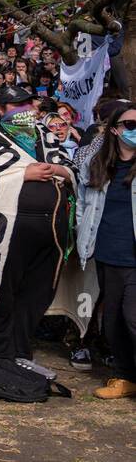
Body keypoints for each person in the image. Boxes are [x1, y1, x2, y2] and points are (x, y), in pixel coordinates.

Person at [0, 85, 75, 360]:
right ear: (1, 109)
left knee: (37, 293)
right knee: (3, 292)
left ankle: (21, 348)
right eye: (17, 106)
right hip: (6, 232)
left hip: (49, 231)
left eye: (27, 104)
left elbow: (70, 169)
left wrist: (55, 170)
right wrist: (24, 174)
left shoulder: (44, 135)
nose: (25, 110)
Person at [75, 101, 136, 398]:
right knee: (111, 322)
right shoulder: (98, 163)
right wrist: (81, 237)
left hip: (133, 257)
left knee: (133, 317)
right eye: (131, 125)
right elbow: (83, 204)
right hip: (106, 253)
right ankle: (125, 377)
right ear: (114, 129)